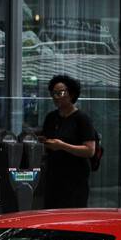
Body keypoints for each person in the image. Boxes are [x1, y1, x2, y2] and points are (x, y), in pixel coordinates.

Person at [39, 74, 97, 210]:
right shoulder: (51, 117)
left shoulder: (82, 119)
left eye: (60, 93)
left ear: (71, 95)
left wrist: (62, 146)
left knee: (72, 213)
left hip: (75, 178)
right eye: (53, 93)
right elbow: (47, 139)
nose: (56, 97)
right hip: (54, 176)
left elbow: (90, 150)